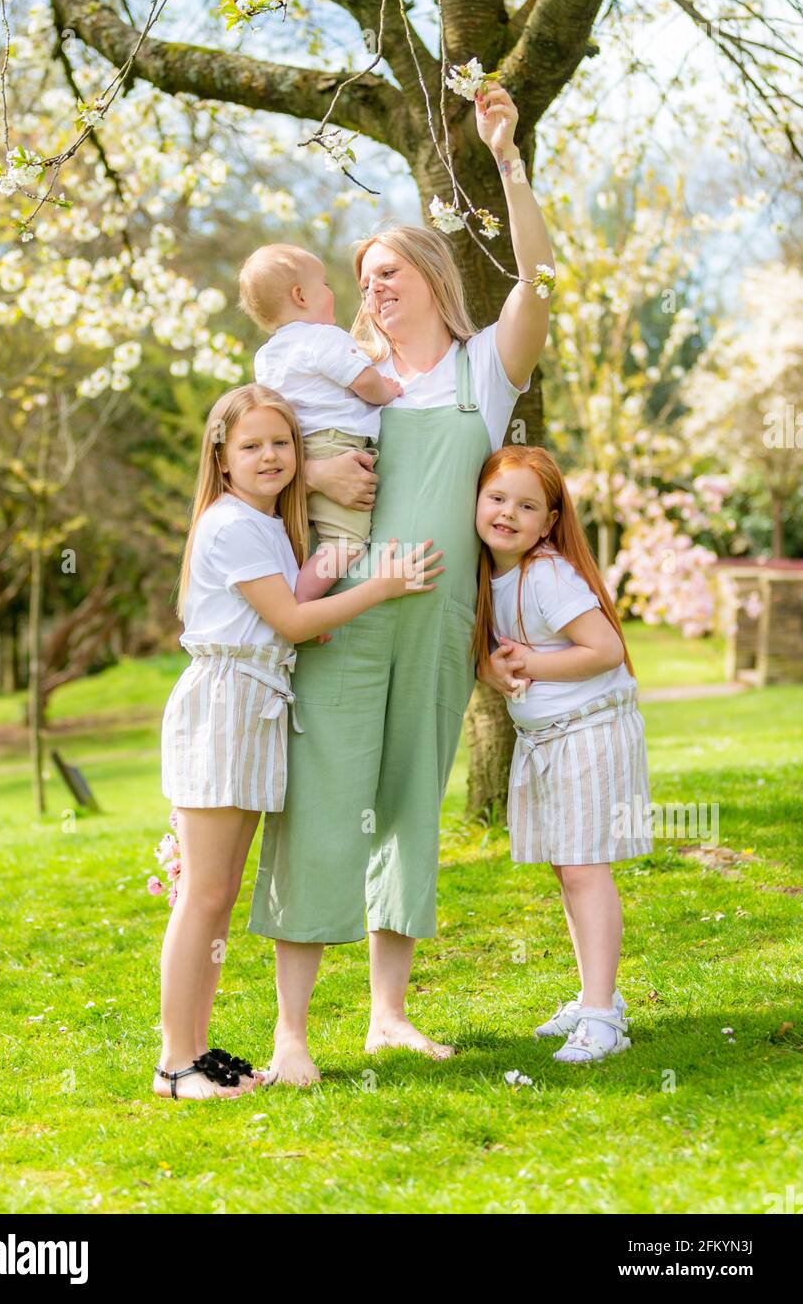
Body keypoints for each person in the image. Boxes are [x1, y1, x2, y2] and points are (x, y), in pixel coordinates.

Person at [247, 83, 554, 1084]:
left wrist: (505, 161)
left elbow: (540, 282)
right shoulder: (328, 376)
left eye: (386, 273)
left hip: (432, 629)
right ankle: (292, 1035)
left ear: (428, 273)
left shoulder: (482, 373)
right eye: (360, 277)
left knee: (407, 808)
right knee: (321, 804)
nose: (371, 289)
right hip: (342, 621)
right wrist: (316, 468)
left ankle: (386, 1016)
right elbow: (248, 461)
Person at [155, 384, 443, 1100]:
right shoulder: (230, 525)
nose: (269, 457)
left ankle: (199, 1051)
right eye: (251, 446)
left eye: (282, 444)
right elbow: (286, 620)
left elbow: (297, 620)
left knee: (216, 895)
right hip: (225, 705)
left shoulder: (265, 526)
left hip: (255, 702)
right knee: (203, 894)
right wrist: (383, 584)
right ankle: (174, 1061)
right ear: (221, 459)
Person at [472, 444, 653, 1063]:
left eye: (527, 506)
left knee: (583, 867)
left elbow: (603, 649)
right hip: (550, 738)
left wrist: (535, 664)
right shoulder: (492, 575)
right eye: (496, 498)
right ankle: (595, 996)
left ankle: (603, 1016)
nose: (507, 514)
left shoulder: (545, 572)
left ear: (549, 521)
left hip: (589, 731)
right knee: (568, 868)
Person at [238, 242, 403, 600]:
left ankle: (300, 596)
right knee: (345, 543)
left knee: (303, 539)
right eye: (324, 284)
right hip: (335, 446)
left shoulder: (266, 356)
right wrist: (387, 390)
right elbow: (363, 381)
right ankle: (300, 605)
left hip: (297, 453)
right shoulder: (324, 338)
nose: (330, 292)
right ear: (300, 295)